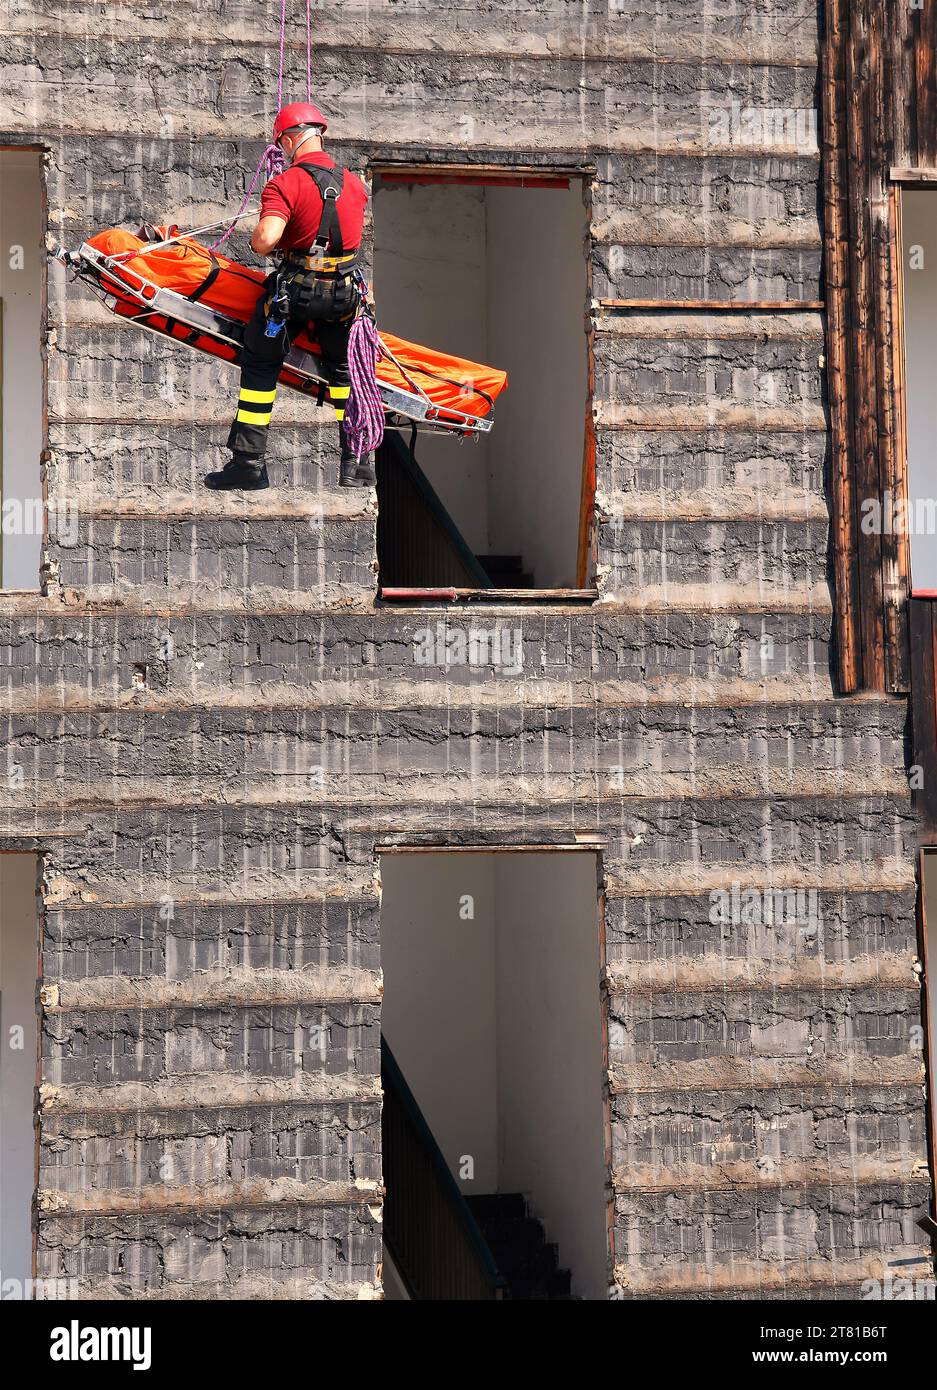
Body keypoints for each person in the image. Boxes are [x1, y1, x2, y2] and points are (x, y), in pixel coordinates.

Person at [205, 101, 373, 491]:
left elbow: (265, 241)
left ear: (290, 139)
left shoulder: (285, 183)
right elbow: (347, 238)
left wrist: (260, 232)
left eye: (281, 146)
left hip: (296, 294)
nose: (281, 153)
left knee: (261, 361)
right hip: (345, 297)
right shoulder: (353, 184)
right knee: (344, 373)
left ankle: (248, 462)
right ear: (320, 134)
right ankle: (356, 463)